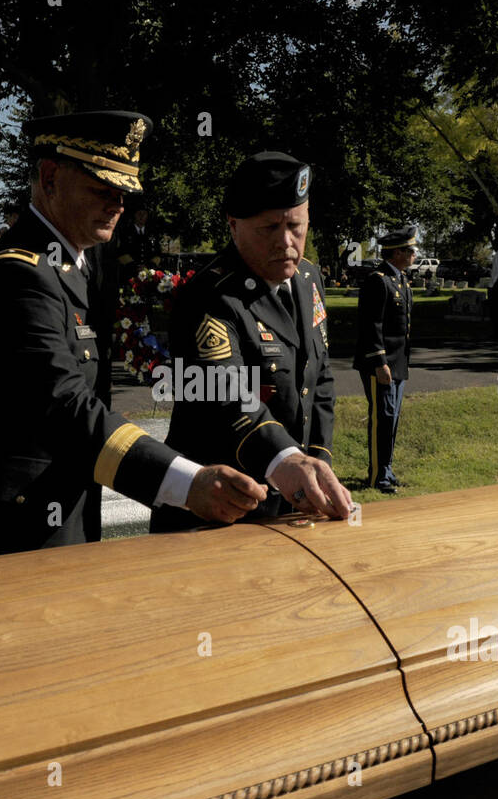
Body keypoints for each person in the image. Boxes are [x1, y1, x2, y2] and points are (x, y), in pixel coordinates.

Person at [0, 110, 267, 565]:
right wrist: (184, 483)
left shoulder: (77, 266)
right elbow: (65, 407)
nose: (118, 204)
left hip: (48, 528)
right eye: (103, 189)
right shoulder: (19, 276)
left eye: (124, 192)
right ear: (50, 176)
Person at [148, 151, 354, 532]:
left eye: (296, 225)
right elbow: (222, 391)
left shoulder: (309, 278)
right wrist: (286, 460)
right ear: (233, 225)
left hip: (293, 498)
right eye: (268, 228)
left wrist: (317, 462)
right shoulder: (209, 295)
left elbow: (320, 377)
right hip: (220, 508)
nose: (286, 242)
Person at [353, 226, 415, 493]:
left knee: (392, 418)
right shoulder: (378, 280)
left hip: (398, 362)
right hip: (381, 364)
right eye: (410, 250)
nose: (414, 254)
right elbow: (371, 325)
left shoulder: (401, 280)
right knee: (382, 417)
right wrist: (380, 362)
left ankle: (387, 469)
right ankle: (378, 476)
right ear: (397, 252)